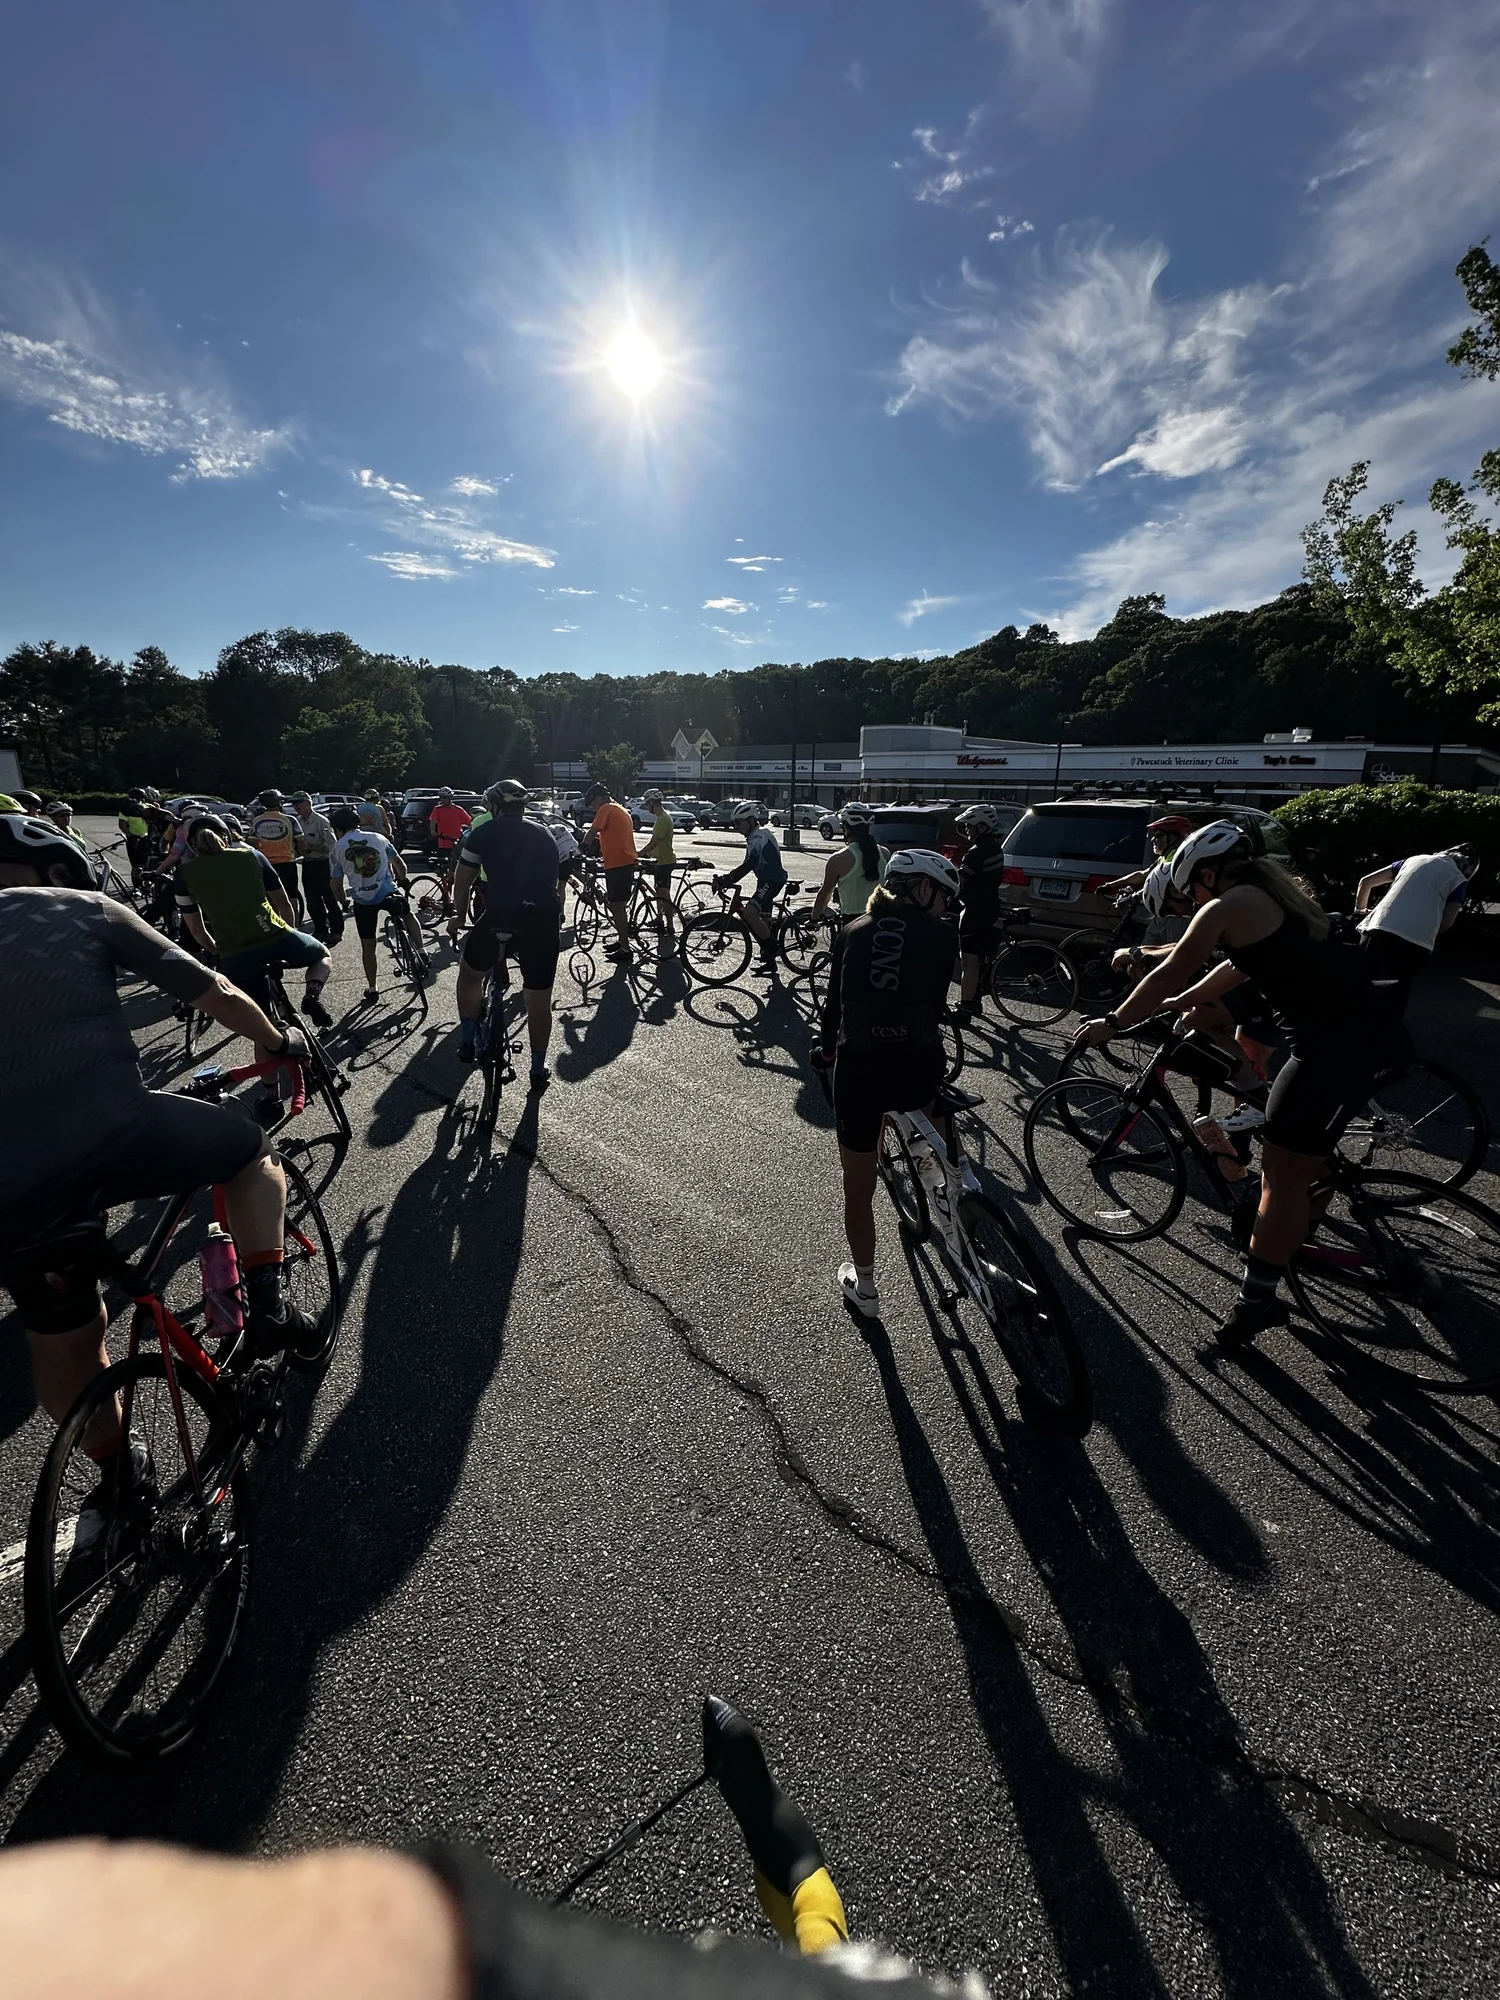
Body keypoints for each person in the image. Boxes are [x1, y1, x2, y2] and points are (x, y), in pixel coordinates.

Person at [0, 816, 324, 1484]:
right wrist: (278, 1038)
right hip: (111, 1128)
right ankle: (267, 1300)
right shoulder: (81, 906)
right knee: (249, 1151)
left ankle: (121, 1475)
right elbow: (213, 989)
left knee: (62, 1340)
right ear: (60, 871)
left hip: (13, 1183)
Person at [1074, 820, 1402, 1346]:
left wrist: (1112, 1023)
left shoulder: (1226, 906)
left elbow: (1168, 969)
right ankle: (1302, 1233)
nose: (1189, 900)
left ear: (1207, 873)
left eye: (1189, 891)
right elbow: (1235, 968)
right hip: (1372, 1039)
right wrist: (1181, 1004)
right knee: (1302, 1160)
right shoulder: (1275, 898)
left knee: (1279, 1179)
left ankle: (1255, 1307)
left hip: (1328, 1052)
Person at [815, 849, 962, 1319]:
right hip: (916, 1065)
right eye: (942, 895)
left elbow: (833, 1009)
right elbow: (933, 1007)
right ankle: (952, 1199)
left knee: (857, 1189)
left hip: (861, 1071)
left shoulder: (851, 931)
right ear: (921, 888)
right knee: (936, 1131)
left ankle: (867, 1286)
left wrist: (826, 1050)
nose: (945, 906)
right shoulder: (943, 936)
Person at [176, 817, 333, 1121]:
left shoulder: (184, 874)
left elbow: (195, 929)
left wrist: (218, 950)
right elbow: (283, 901)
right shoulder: (251, 854)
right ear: (227, 835)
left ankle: (272, 1097)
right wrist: (289, 931)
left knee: (263, 1027)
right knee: (322, 954)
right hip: (275, 936)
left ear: (192, 844)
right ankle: (312, 994)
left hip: (236, 954)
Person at [448, 779, 560, 1086]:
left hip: (501, 915)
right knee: (538, 999)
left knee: (471, 974)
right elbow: (555, 881)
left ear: (494, 806)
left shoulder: (483, 831)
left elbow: (463, 882)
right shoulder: (545, 833)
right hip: (542, 918)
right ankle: (537, 1070)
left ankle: (468, 1039)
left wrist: (458, 917)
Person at [1355, 843, 1479, 1020]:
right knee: (1396, 991)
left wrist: (1360, 911)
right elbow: (1447, 922)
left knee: (1360, 982)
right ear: (1468, 868)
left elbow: (1366, 882)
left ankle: (1349, 1027)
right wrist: (1428, 932)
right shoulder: (1458, 880)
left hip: (1379, 926)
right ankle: (1386, 1036)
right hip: (1415, 940)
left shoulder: (1412, 861)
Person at [329, 805, 428, 1003]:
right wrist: (403, 880)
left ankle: (373, 988)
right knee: (408, 915)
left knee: (368, 944)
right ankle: (421, 950)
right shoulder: (379, 838)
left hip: (362, 900)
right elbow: (400, 864)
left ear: (338, 829)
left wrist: (343, 902)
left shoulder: (337, 849)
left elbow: (336, 884)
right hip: (388, 892)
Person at [716, 802, 788, 974]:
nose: (736, 827)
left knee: (749, 913)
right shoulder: (753, 837)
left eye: (738, 823)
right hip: (764, 881)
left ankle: (772, 948)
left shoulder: (760, 836)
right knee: (763, 922)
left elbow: (751, 863)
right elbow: (747, 864)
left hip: (772, 881)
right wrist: (728, 878)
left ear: (750, 820)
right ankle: (770, 962)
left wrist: (729, 878)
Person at [949, 804, 1005, 1014]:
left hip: (975, 911)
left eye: (969, 826)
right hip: (990, 907)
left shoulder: (976, 853)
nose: (966, 830)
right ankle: (976, 1000)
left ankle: (965, 1009)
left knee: (968, 963)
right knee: (980, 959)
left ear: (982, 826)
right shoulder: (995, 847)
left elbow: (959, 883)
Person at [582, 779, 639, 960]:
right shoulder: (620, 808)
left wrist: (580, 848)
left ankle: (626, 950)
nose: (592, 807)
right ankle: (622, 941)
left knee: (617, 907)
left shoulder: (606, 809)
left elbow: (592, 832)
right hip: (622, 861)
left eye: (592, 802)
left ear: (600, 798)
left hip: (619, 864)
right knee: (617, 906)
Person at [810, 803, 887, 931]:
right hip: (881, 922)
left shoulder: (838, 859)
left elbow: (825, 894)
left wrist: (813, 919)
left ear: (845, 828)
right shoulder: (885, 853)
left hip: (853, 924)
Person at [1099, 813, 1195, 899]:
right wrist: (1110, 886)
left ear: (1172, 838)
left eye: (1158, 836)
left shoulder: (1177, 859)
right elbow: (1142, 875)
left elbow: (1160, 886)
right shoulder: (1164, 858)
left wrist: (1136, 896)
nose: (1153, 839)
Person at [290, 791, 342, 943]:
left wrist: (312, 847)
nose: (296, 806)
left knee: (329, 899)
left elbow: (331, 845)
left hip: (323, 863)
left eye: (299, 802)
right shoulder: (297, 822)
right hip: (308, 863)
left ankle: (336, 931)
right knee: (312, 900)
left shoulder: (321, 821)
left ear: (308, 803)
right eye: (294, 803)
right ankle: (320, 930)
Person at [248, 787, 304, 919]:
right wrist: (299, 852)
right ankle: (294, 928)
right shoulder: (290, 819)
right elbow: (302, 842)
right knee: (291, 897)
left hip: (266, 864)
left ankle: (277, 928)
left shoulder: (257, 821)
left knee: (271, 897)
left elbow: (251, 843)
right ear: (279, 802)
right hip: (287, 862)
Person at [637, 786, 678, 938]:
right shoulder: (661, 818)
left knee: (663, 895)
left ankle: (670, 925)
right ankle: (660, 920)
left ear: (653, 803)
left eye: (647, 804)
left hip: (664, 862)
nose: (646, 807)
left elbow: (654, 843)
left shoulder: (662, 820)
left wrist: (639, 853)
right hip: (658, 861)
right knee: (658, 892)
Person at [119, 789, 153, 885]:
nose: (141, 800)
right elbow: (122, 825)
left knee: (147, 863)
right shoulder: (126, 809)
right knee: (136, 865)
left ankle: (147, 883)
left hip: (146, 839)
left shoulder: (145, 807)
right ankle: (137, 886)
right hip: (134, 840)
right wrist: (130, 835)